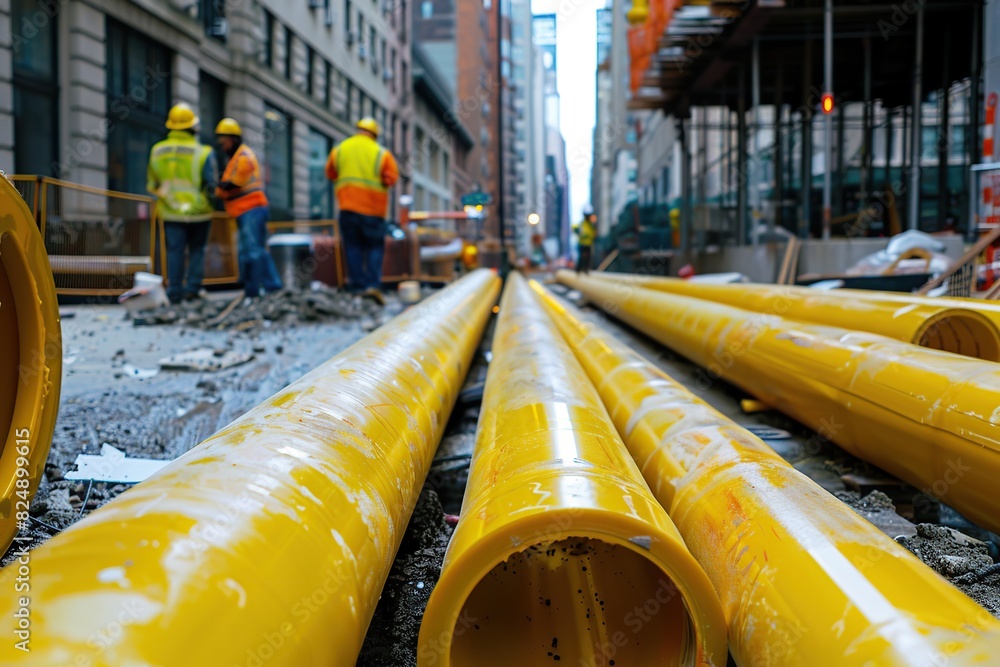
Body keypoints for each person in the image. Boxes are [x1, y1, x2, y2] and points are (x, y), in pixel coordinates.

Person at [147, 103, 218, 304]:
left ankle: (175, 292)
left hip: (171, 211)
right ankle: (193, 289)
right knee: (197, 250)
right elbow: (211, 184)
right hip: (199, 212)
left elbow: (153, 184)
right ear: (192, 127)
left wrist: (169, 200)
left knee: (175, 251)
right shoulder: (203, 152)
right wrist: (212, 204)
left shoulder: (157, 151)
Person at [326, 117, 399, 304]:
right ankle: (372, 285)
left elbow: (330, 173)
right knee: (374, 247)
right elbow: (391, 179)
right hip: (373, 210)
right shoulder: (381, 153)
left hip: (348, 208)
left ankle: (357, 285)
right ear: (374, 134)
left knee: (353, 247)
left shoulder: (340, 149)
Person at [214, 117, 283, 300]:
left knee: (253, 251)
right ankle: (268, 288)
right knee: (253, 251)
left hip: (251, 209)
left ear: (233, 139)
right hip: (246, 211)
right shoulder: (235, 159)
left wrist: (217, 187)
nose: (222, 144)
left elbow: (231, 185)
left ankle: (260, 290)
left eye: (224, 139)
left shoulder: (243, 157)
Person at [574, 206, 597, 274]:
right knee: (581, 257)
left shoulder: (591, 224)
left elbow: (593, 233)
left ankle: (586, 270)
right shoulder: (582, 224)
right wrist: (577, 231)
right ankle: (578, 271)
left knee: (588, 258)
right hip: (582, 243)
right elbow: (574, 227)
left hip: (589, 244)